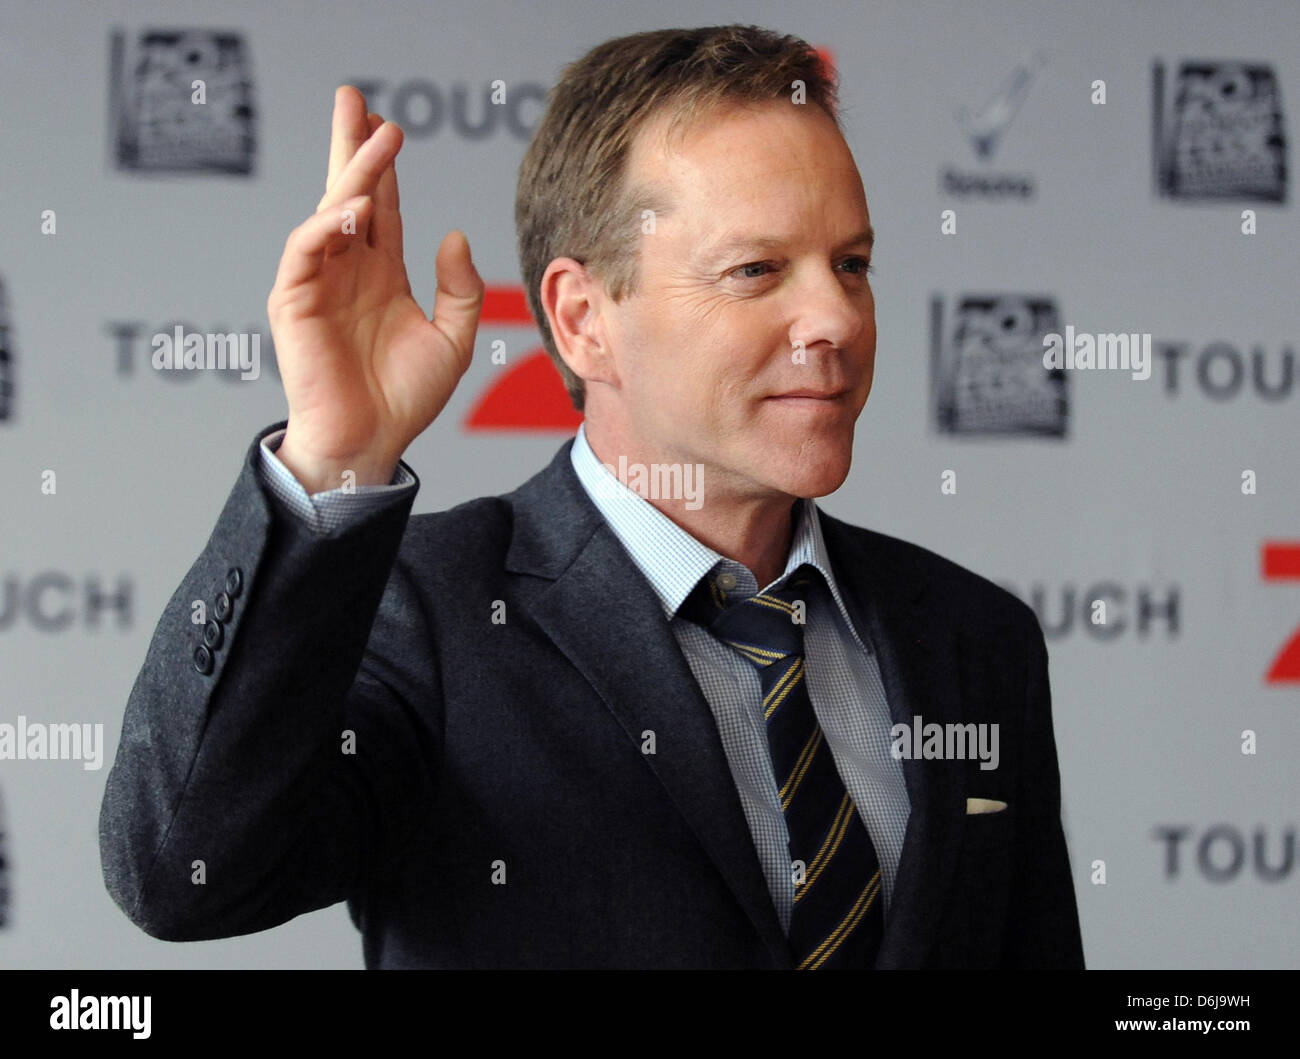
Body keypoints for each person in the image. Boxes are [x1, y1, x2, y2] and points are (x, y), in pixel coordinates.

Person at [99, 24, 1084, 969]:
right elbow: (182, 874)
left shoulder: (973, 638)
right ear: (582, 321)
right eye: (755, 270)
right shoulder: (423, 613)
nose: (834, 317)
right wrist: (331, 460)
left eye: (852, 265)